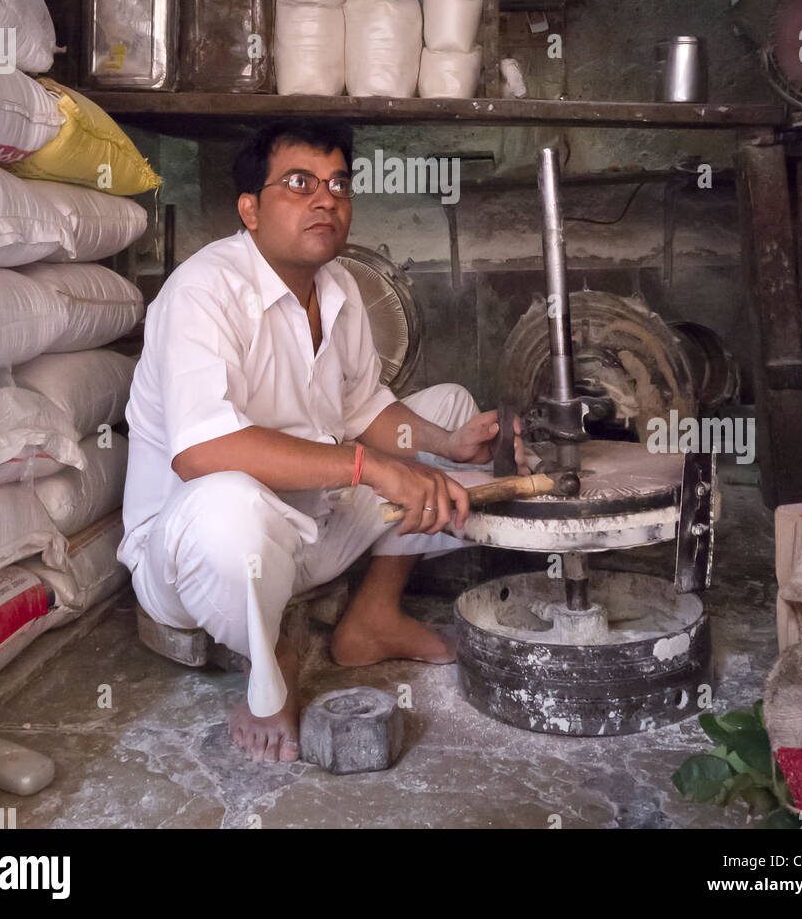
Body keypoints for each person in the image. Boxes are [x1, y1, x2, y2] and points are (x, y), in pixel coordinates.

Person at [120, 118, 522, 763]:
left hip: (312, 527)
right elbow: (201, 453)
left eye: (339, 184)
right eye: (300, 183)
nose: (326, 199)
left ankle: (372, 617)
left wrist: (449, 443)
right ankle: (269, 657)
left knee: (448, 406)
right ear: (250, 209)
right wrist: (374, 468)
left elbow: (363, 409)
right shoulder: (203, 289)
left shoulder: (338, 288)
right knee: (230, 502)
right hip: (196, 557)